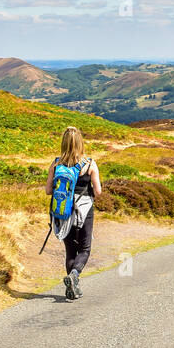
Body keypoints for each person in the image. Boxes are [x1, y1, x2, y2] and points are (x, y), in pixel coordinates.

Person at [54, 126, 102, 300]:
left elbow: (47, 190)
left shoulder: (56, 163)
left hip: (62, 211)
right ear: (80, 143)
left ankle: (72, 289)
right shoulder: (89, 163)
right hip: (84, 209)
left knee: (70, 250)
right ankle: (74, 275)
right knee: (85, 248)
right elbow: (98, 191)